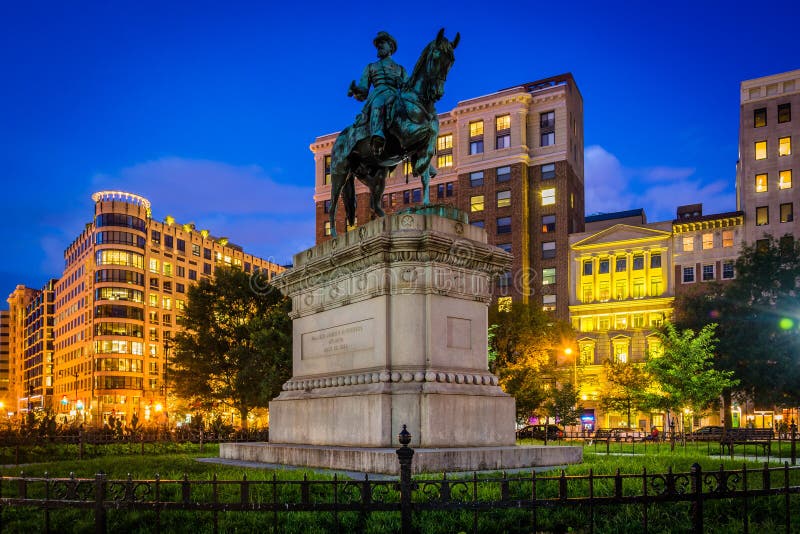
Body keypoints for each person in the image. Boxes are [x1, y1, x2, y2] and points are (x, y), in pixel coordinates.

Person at [348, 31, 408, 156]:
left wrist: (402, 83)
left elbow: (409, 89)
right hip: (378, 93)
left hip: (396, 95)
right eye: (378, 44)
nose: (379, 46)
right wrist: (355, 90)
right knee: (379, 102)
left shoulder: (401, 69)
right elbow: (364, 91)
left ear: (390, 47)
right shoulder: (371, 67)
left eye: (382, 43)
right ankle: (377, 135)